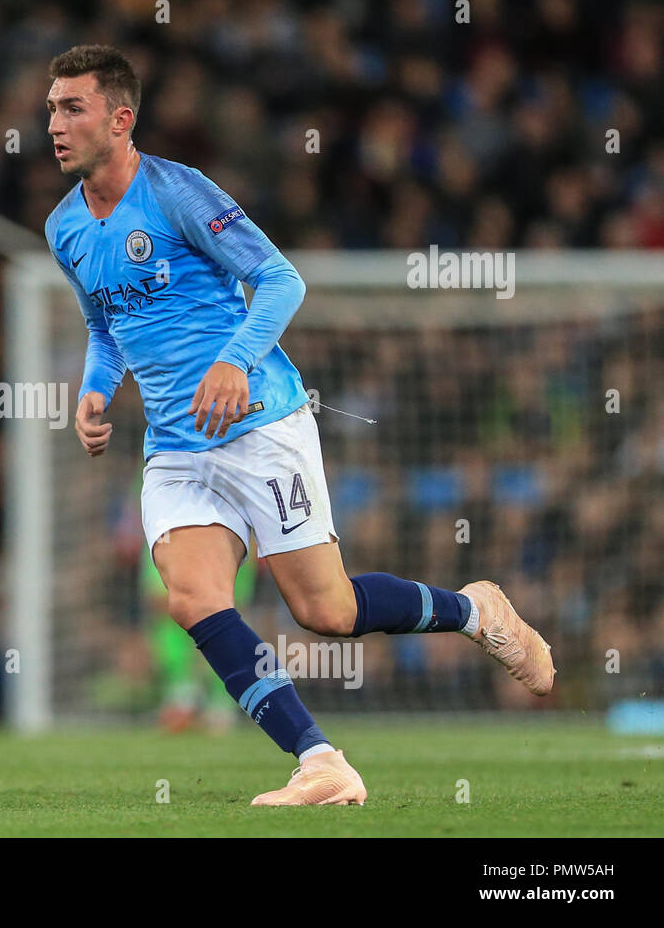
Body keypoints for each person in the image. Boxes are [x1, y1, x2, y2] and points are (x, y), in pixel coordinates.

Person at [42, 45, 555, 806]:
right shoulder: (64, 227)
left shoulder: (180, 193)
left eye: (71, 107)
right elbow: (104, 322)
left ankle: (477, 610)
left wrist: (235, 361)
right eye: (51, 107)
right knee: (190, 597)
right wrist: (94, 388)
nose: (53, 123)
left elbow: (282, 279)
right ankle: (320, 759)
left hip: (261, 422)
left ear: (120, 119)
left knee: (325, 610)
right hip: (178, 449)